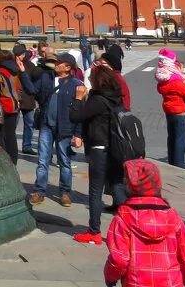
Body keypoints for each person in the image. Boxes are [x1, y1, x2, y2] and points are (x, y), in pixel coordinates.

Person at [103, 159, 185, 287]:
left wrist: (110, 278)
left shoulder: (123, 218)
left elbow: (119, 259)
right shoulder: (173, 217)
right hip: (171, 282)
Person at [69, 66, 127, 245]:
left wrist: (78, 99)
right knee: (118, 186)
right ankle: (130, 228)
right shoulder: (116, 97)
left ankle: (94, 231)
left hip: (99, 149)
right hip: (116, 149)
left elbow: (75, 116)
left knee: (95, 192)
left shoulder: (98, 100)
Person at [18, 52, 83, 206]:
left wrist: (78, 134)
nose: (56, 64)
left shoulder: (76, 84)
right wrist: (22, 73)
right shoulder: (47, 78)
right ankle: (39, 191)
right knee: (43, 160)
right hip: (47, 125)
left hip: (65, 128)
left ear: (67, 67)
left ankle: (65, 192)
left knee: (65, 161)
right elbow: (32, 90)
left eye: (59, 62)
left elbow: (80, 112)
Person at [154, 49, 185, 168]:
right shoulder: (176, 82)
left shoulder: (163, 81)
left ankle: (172, 160)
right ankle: (178, 163)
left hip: (169, 111)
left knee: (171, 136)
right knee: (180, 138)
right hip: (180, 111)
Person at [0, 51, 22, 164]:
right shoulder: (15, 72)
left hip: (1, 107)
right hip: (14, 105)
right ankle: (13, 161)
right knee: (11, 135)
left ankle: (2, 161)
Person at [13, 44, 39, 155]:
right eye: (18, 55)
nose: (20, 57)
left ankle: (27, 146)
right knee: (14, 123)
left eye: (21, 55)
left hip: (28, 98)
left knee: (29, 123)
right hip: (16, 98)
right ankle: (12, 145)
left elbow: (32, 81)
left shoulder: (30, 65)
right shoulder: (12, 66)